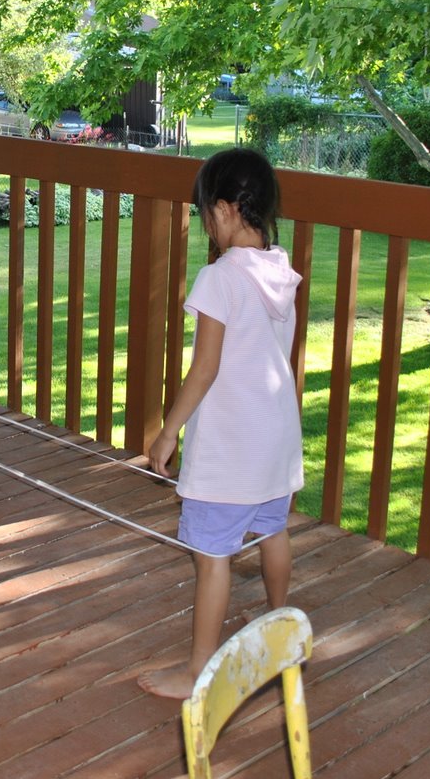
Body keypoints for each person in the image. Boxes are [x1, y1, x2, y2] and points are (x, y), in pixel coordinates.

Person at [137, 148, 304, 699]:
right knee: (272, 531)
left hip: (231, 448)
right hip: (275, 439)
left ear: (227, 210)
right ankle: (286, 633)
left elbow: (204, 368)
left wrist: (168, 430)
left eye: (205, 211)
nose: (204, 222)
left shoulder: (221, 278)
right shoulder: (281, 270)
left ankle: (196, 675)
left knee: (212, 559)